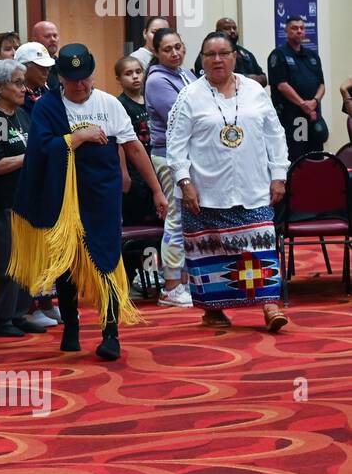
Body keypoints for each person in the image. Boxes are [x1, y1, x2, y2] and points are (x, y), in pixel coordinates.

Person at [9, 44, 167, 361]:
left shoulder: (109, 104)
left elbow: (135, 149)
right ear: (60, 79)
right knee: (68, 262)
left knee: (107, 259)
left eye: (85, 78)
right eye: (72, 80)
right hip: (63, 198)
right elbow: (40, 150)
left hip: (102, 196)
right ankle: (71, 325)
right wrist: (76, 138)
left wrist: (157, 190)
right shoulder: (47, 108)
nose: (80, 86)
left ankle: (111, 333)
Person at [166, 32, 289, 331]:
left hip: (253, 186)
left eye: (224, 53)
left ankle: (270, 305)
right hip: (205, 190)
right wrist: (184, 182)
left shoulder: (255, 91)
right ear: (202, 59)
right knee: (209, 251)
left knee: (260, 245)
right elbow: (176, 144)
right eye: (210, 54)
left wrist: (279, 176)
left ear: (235, 56)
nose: (218, 60)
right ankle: (213, 310)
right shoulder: (189, 96)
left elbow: (275, 134)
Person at [0, 59, 36, 338]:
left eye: (23, 82)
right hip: (3, 199)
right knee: (7, 261)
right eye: (17, 83)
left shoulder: (22, 114)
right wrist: (30, 158)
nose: (24, 88)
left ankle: (20, 313)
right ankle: (1, 319)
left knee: (25, 258)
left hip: (25, 198)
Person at [144, 29, 197, 308]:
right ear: (156, 52)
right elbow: (182, 117)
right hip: (168, 156)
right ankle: (171, 287)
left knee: (188, 221)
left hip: (189, 156)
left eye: (178, 46)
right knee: (175, 220)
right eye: (167, 49)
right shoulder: (156, 80)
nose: (175, 53)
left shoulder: (186, 73)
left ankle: (185, 280)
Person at [268, 15, 327, 162]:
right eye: (294, 28)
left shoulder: (312, 56)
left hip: (313, 115)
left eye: (302, 28)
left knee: (316, 154)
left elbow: (322, 84)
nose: (299, 31)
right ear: (286, 31)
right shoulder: (279, 54)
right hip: (292, 117)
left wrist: (314, 101)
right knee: (297, 157)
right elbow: (282, 85)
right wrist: (303, 104)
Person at [114, 55, 158, 230]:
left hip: (154, 161)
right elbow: (120, 142)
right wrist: (124, 173)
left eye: (138, 72)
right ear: (119, 79)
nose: (135, 77)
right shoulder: (120, 104)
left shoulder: (150, 99)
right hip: (134, 170)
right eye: (128, 73)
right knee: (138, 219)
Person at [192, 17, 266, 85]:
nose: (232, 31)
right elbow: (206, 80)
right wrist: (247, 78)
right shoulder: (208, 55)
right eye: (227, 28)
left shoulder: (246, 54)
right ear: (218, 31)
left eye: (234, 28)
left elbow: (264, 79)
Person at [15, 41, 55, 118]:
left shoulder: (47, 91)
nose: (46, 72)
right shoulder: (14, 97)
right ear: (24, 67)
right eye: (41, 68)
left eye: (48, 68)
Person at [30, 20, 63, 93]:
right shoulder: (30, 68)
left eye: (55, 36)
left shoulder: (63, 65)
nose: (53, 39)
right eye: (47, 36)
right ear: (34, 40)